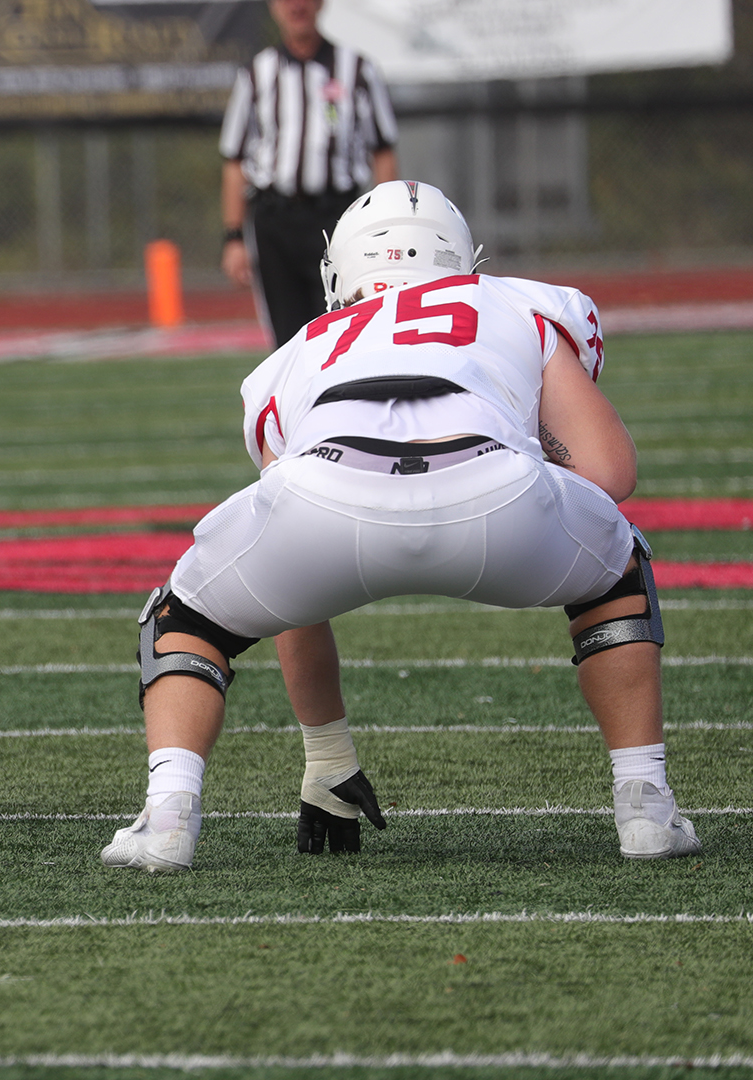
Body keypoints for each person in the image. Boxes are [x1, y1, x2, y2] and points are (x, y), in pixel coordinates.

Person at [103, 180, 699, 872]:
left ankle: (169, 817)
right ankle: (646, 807)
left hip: (323, 485)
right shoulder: (514, 302)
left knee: (184, 621)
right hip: (494, 490)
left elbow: (292, 593)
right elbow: (610, 473)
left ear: (343, 269)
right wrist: (518, 449)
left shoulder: (298, 348)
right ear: (460, 259)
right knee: (616, 564)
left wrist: (328, 755)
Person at [220, 0, 398, 347]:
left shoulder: (357, 69)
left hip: (336, 218)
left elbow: (383, 151)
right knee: (286, 338)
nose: (296, 5)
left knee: (341, 328)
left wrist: (385, 227)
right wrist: (233, 238)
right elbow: (234, 160)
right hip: (276, 220)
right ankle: (294, 404)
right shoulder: (257, 73)